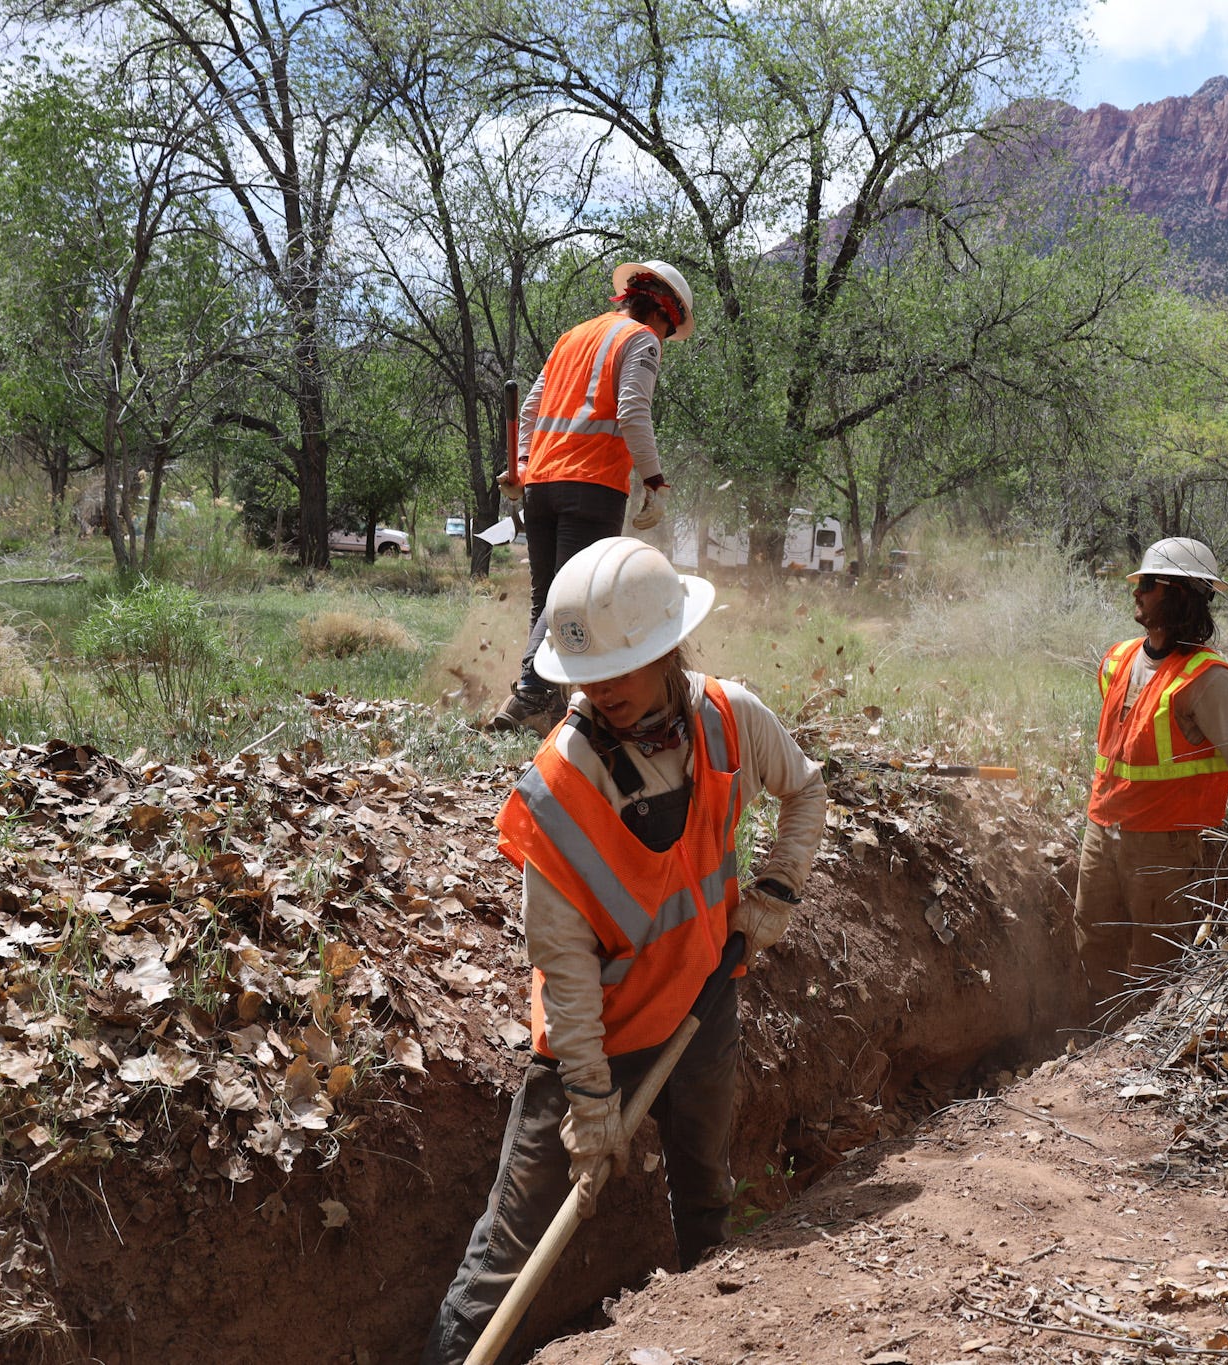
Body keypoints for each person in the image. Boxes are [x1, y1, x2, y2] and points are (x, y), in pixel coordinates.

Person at [423, 536, 826, 1365]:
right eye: (588, 673)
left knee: (706, 1199)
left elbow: (806, 788)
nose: (601, 689)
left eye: (619, 667)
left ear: (668, 646)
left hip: (702, 1007)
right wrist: (589, 1096)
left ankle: (718, 1338)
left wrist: (777, 887)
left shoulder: (730, 717)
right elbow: (563, 965)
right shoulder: (561, 786)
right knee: (507, 1251)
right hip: (592, 1038)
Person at [1074, 537, 1228, 1011]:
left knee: (1156, 959)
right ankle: (1100, 1033)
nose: (1136, 592)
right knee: (1093, 936)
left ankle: (1145, 1043)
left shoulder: (1207, 678)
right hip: (1102, 828)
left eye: (1148, 584)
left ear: (1178, 594)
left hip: (1163, 845)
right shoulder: (1117, 660)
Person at [491, 261, 696, 736]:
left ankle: (547, 699)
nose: (664, 340)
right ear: (663, 314)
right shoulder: (641, 339)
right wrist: (655, 480)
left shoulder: (573, 336)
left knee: (548, 595)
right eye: (668, 331)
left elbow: (530, 408)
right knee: (570, 598)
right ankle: (531, 695)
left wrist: (522, 465)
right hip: (592, 484)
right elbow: (633, 410)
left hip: (541, 483)